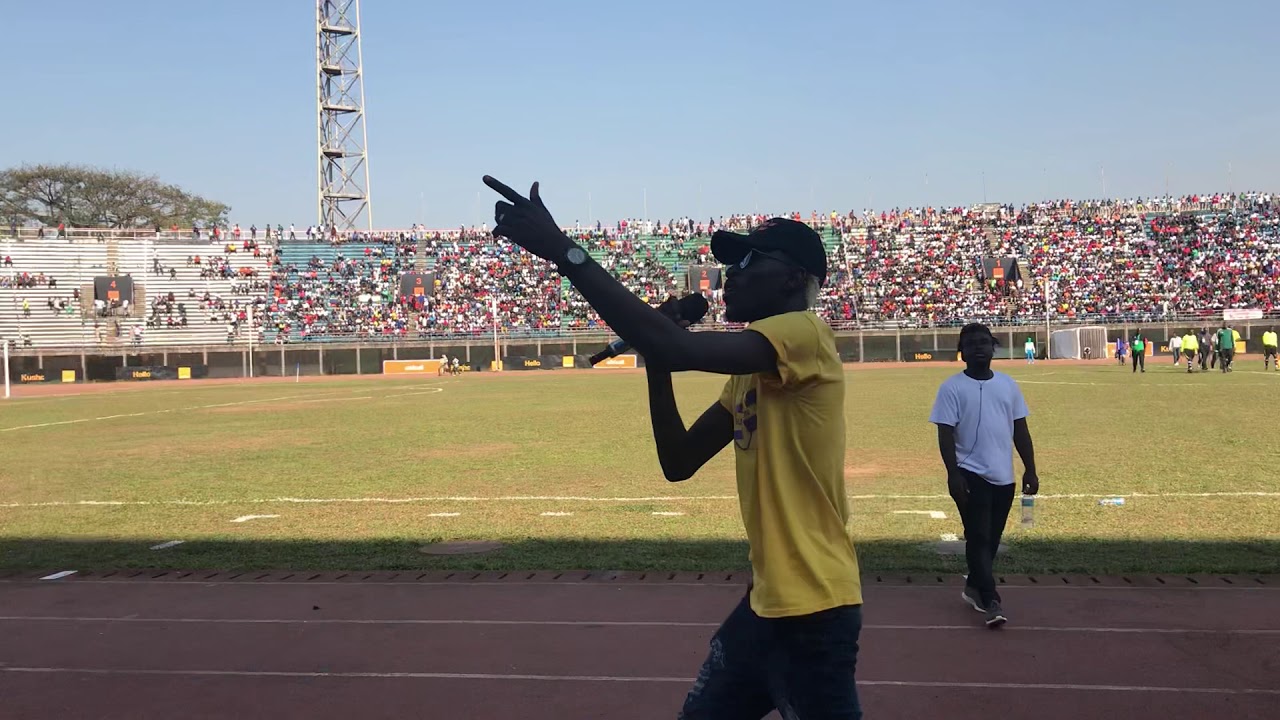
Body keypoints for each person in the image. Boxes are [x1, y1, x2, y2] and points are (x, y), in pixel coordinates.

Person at [483, 177, 864, 719]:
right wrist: (657, 364)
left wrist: (566, 254)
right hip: (768, 605)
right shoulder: (752, 375)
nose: (729, 275)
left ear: (795, 279)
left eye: (749, 260)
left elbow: (676, 345)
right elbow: (679, 461)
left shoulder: (805, 333)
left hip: (813, 613)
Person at [929, 323, 1039, 628]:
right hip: (969, 474)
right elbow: (945, 434)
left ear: (994, 347)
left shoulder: (1008, 385)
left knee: (990, 538)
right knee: (978, 535)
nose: (978, 347)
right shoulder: (951, 388)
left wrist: (1030, 468)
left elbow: (1021, 429)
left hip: (1004, 475)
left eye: (984, 342)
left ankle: (973, 587)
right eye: (971, 343)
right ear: (961, 352)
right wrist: (953, 474)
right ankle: (991, 598)